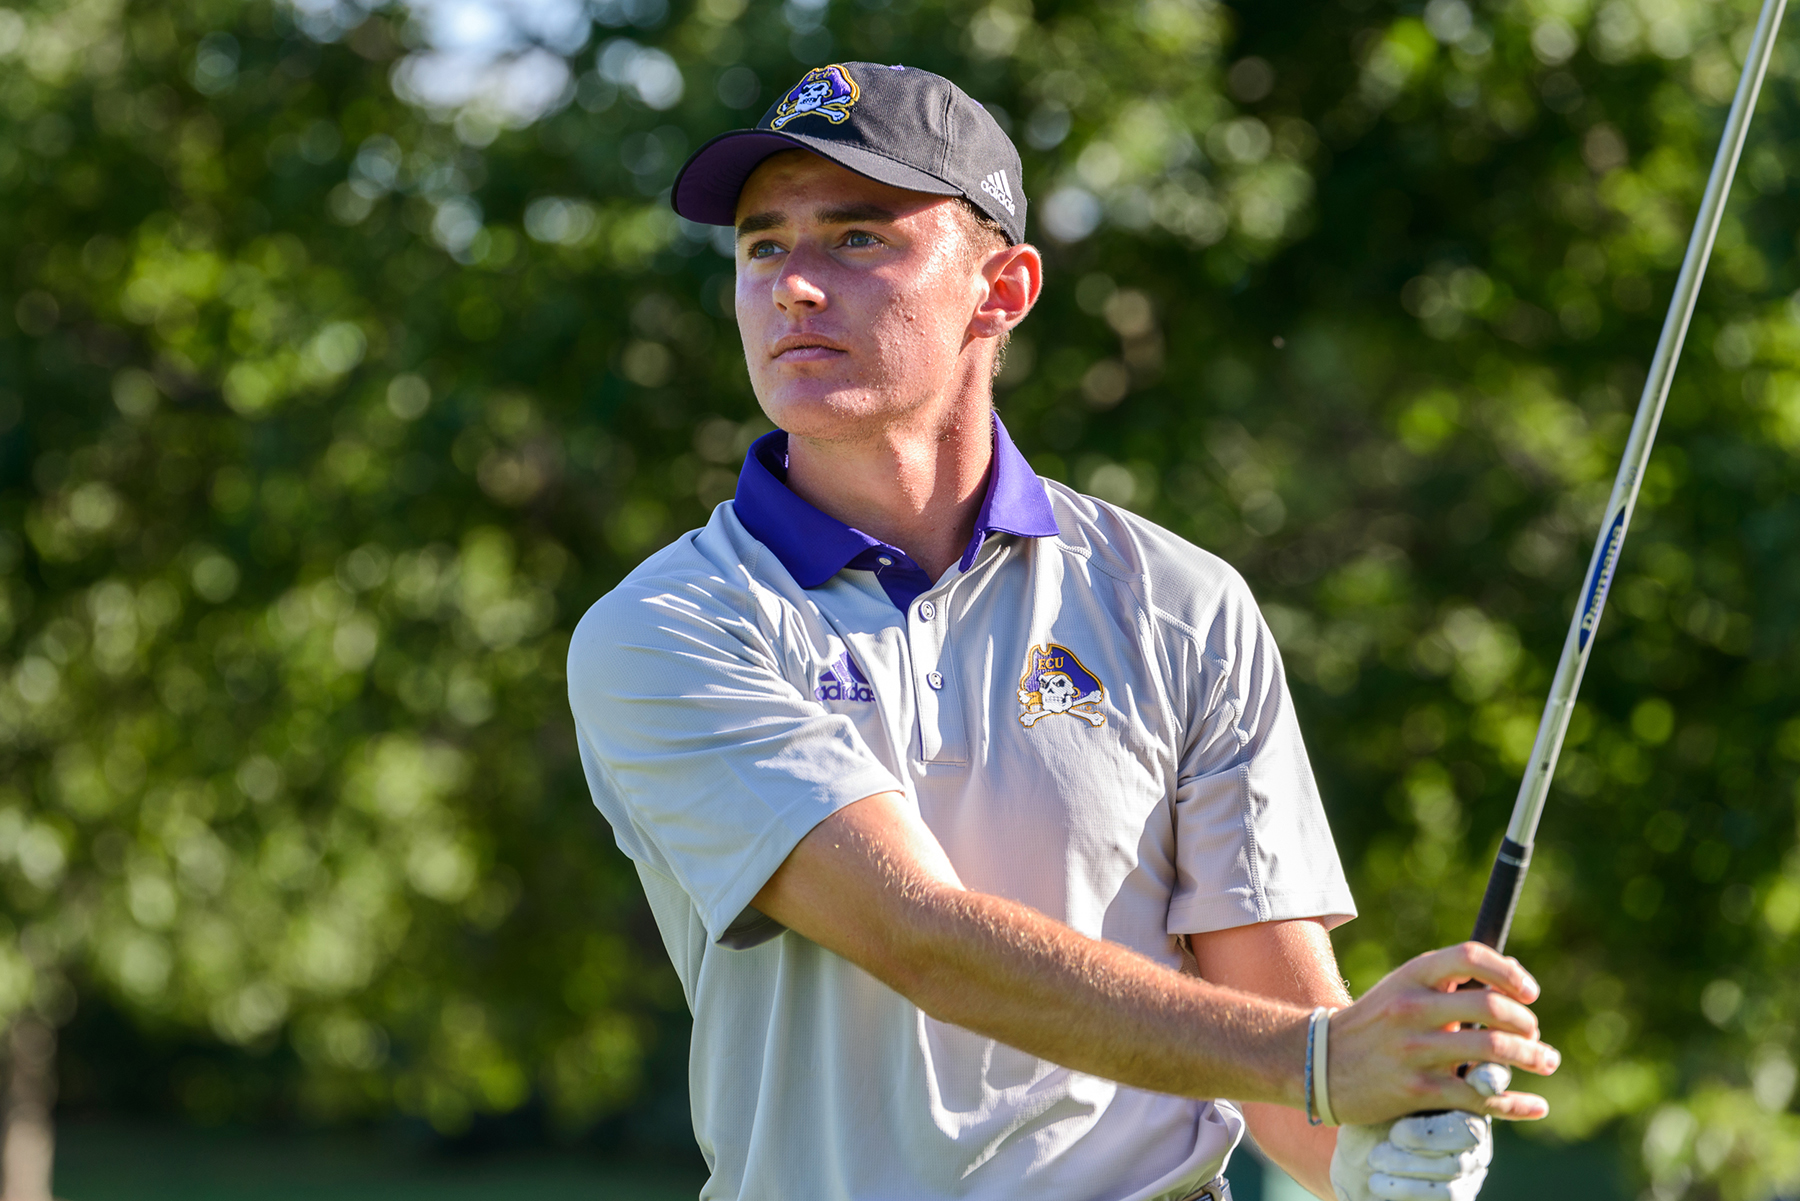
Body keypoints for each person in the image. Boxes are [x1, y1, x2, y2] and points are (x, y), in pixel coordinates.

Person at [568, 62, 1560, 1201]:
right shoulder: (668, 625)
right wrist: (1330, 1065)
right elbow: (918, 937)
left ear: (1002, 291)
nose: (792, 286)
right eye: (761, 247)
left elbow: (1286, 1054)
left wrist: (1380, 1149)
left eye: (855, 241)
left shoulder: (1180, 602)